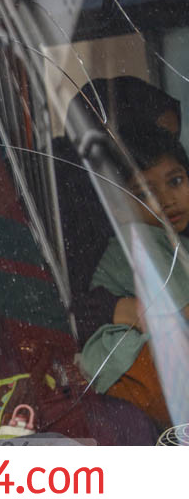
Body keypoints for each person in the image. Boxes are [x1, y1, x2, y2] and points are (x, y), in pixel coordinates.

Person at [79, 126, 189, 426]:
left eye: (175, 181)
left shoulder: (170, 239)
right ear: (118, 203)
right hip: (135, 369)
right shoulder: (142, 239)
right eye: (144, 193)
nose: (165, 200)